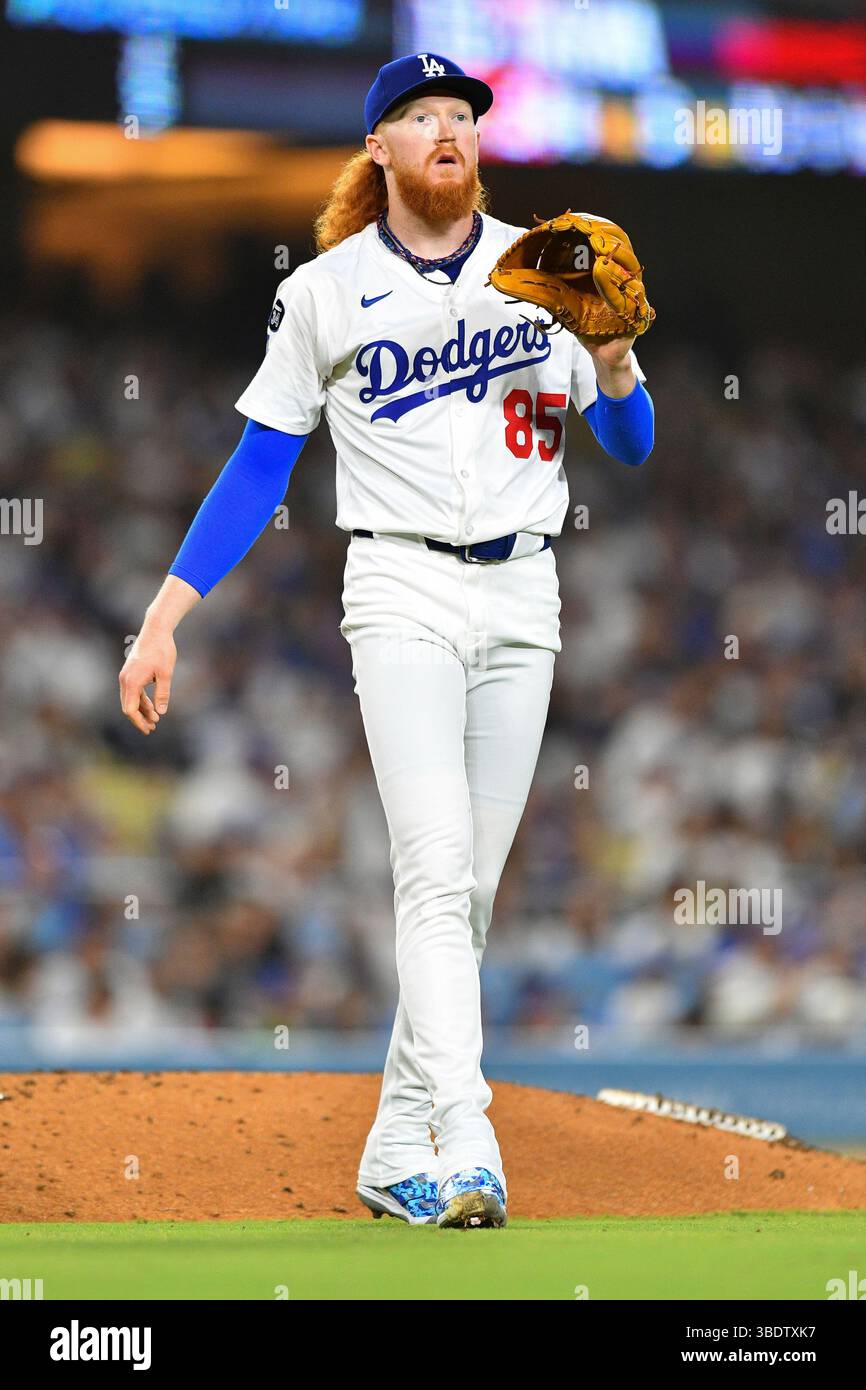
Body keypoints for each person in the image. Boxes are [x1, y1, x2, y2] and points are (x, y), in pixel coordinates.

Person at [118, 52, 654, 1230]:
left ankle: (388, 1149)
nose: (448, 131)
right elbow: (261, 463)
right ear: (381, 149)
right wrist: (166, 614)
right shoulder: (326, 289)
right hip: (399, 583)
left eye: (461, 115)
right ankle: (467, 1141)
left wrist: (613, 364)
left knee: (466, 895)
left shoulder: (550, 265)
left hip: (524, 594)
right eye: (422, 117)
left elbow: (630, 443)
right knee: (430, 865)